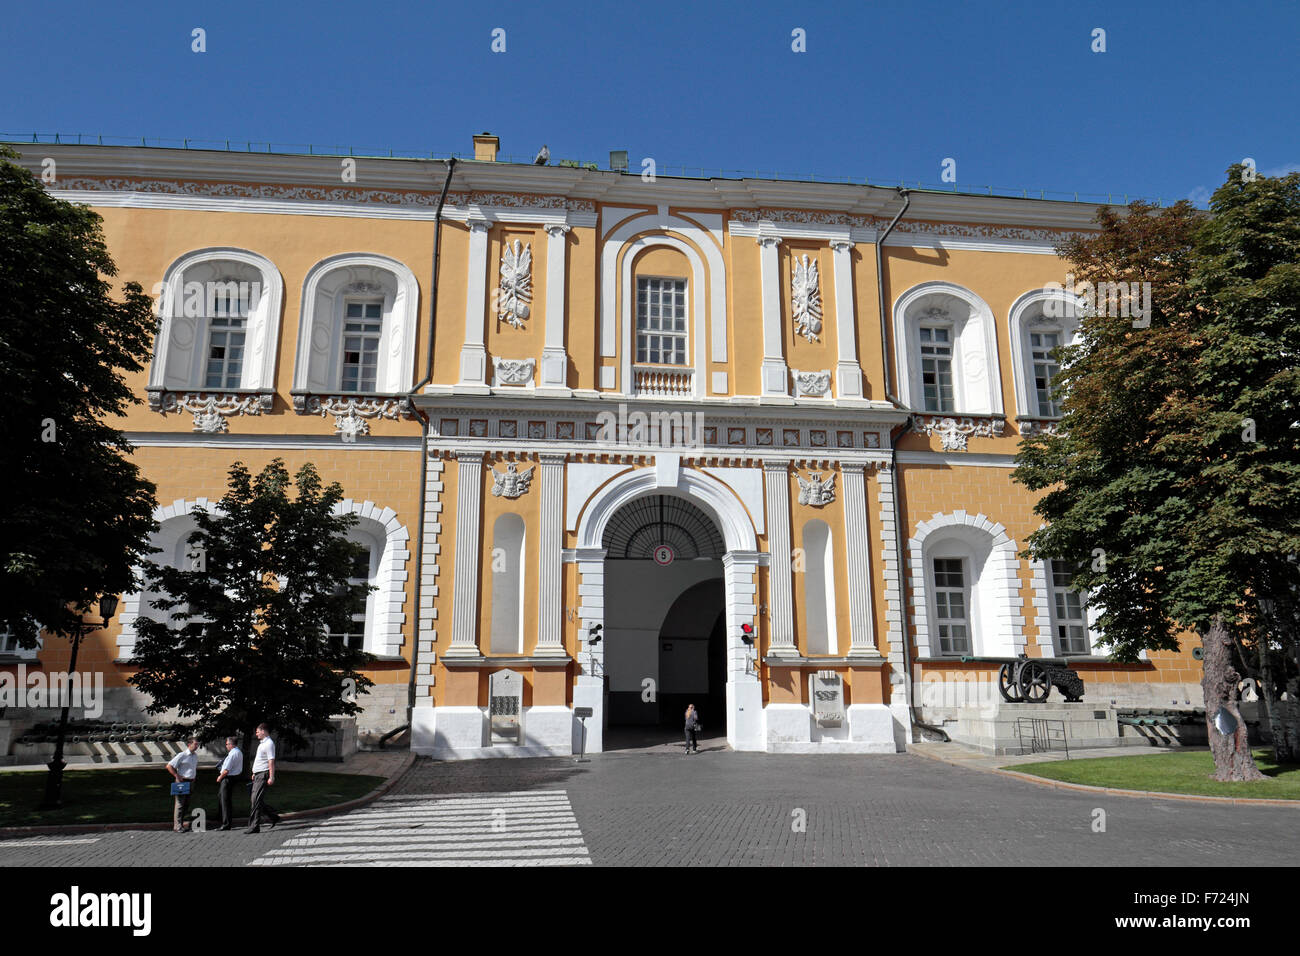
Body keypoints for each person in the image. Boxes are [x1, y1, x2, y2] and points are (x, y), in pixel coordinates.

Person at [245, 723, 281, 833]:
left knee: (255, 800)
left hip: (263, 774)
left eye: (257, 731)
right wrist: (254, 772)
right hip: (258, 774)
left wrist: (271, 776)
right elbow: (260, 759)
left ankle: (254, 826)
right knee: (256, 800)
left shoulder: (269, 744)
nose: (256, 734)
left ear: (263, 731)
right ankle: (273, 816)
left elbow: (271, 761)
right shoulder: (262, 744)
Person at [166, 736, 200, 832]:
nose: (197, 746)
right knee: (180, 804)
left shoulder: (195, 756)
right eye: (195, 744)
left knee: (186, 804)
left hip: (191, 781)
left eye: (198, 744)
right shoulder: (182, 755)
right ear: (189, 744)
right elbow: (169, 766)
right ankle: (177, 826)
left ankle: (181, 824)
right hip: (182, 782)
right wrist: (176, 775)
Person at [215, 736, 243, 831]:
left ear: (231, 744)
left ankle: (226, 823)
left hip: (227, 778)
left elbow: (226, 770)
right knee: (223, 798)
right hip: (233, 778)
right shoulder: (238, 752)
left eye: (226, 744)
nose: (226, 746)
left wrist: (220, 777)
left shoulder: (232, 754)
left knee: (225, 801)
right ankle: (222, 818)